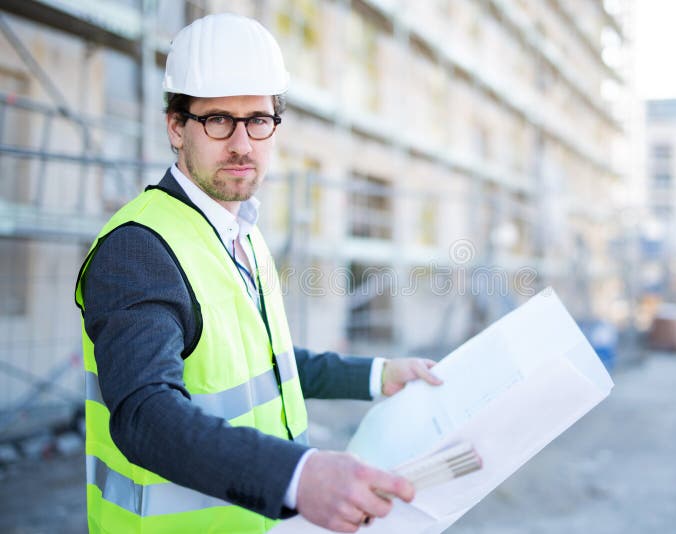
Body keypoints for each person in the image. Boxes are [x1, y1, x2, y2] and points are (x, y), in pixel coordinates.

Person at [74, 13, 442, 534]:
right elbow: (144, 414)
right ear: (176, 127)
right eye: (219, 120)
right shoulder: (139, 248)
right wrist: (298, 475)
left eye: (259, 120)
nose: (243, 144)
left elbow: (266, 364)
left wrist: (379, 374)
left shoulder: (240, 229)